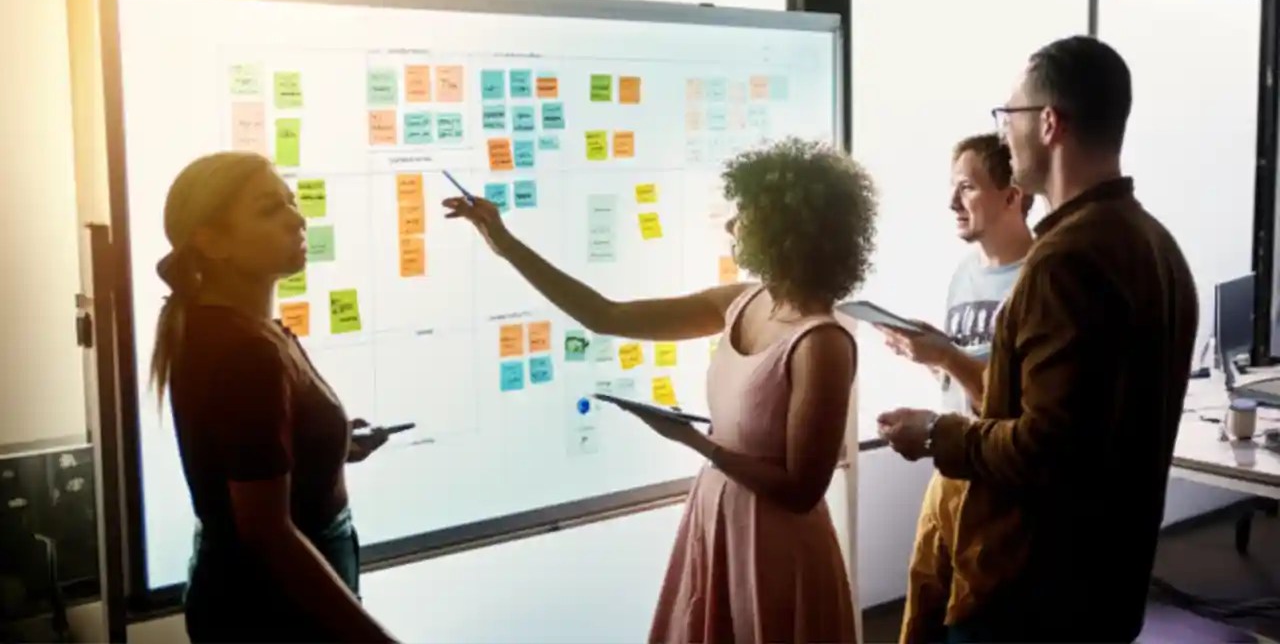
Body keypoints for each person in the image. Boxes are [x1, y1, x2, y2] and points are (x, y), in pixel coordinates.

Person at [445, 138, 877, 643]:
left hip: (776, 544)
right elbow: (605, 315)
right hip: (719, 514)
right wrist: (506, 243)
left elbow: (803, 490)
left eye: (747, 212)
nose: (733, 225)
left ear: (788, 228)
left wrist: (696, 442)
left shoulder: (822, 341)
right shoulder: (741, 301)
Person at [878, 35, 1198, 642]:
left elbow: (1044, 449)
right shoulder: (1156, 243)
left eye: (1009, 116)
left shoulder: (1064, 261)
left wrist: (936, 433)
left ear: (1049, 123)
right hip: (1107, 585)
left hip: (1032, 595)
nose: (1004, 133)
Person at [150, 151, 398, 643]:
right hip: (274, 608)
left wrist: (332, 444)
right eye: (269, 209)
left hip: (258, 594)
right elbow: (269, 535)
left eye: (292, 201)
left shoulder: (239, 329)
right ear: (213, 241)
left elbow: (248, 453)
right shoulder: (247, 352)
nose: (298, 218)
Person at [876, 133, 1033, 643]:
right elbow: (965, 380)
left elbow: (1012, 406)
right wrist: (930, 356)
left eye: (967, 188)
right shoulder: (965, 273)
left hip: (998, 485)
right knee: (923, 610)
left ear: (1013, 196)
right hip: (949, 473)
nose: (952, 203)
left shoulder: (1035, 281)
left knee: (972, 618)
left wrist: (947, 355)